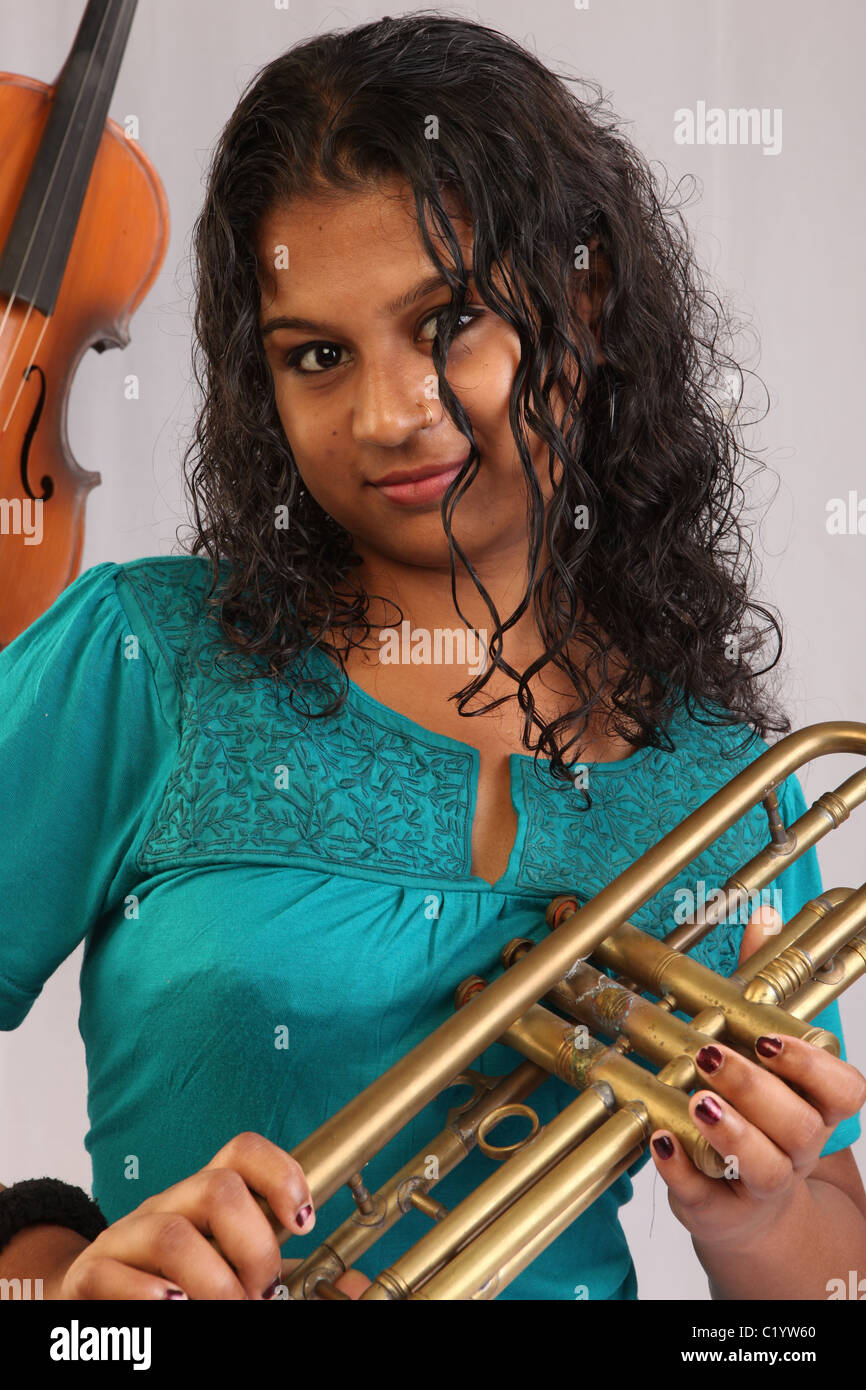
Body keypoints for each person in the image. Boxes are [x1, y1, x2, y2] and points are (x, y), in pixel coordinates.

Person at [1, 12, 864, 1303]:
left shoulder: (722, 780)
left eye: (447, 322)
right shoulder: (143, 657)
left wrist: (763, 1207)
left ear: (582, 300)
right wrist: (52, 1277)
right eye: (316, 355)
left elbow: (828, 1265)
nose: (388, 413)